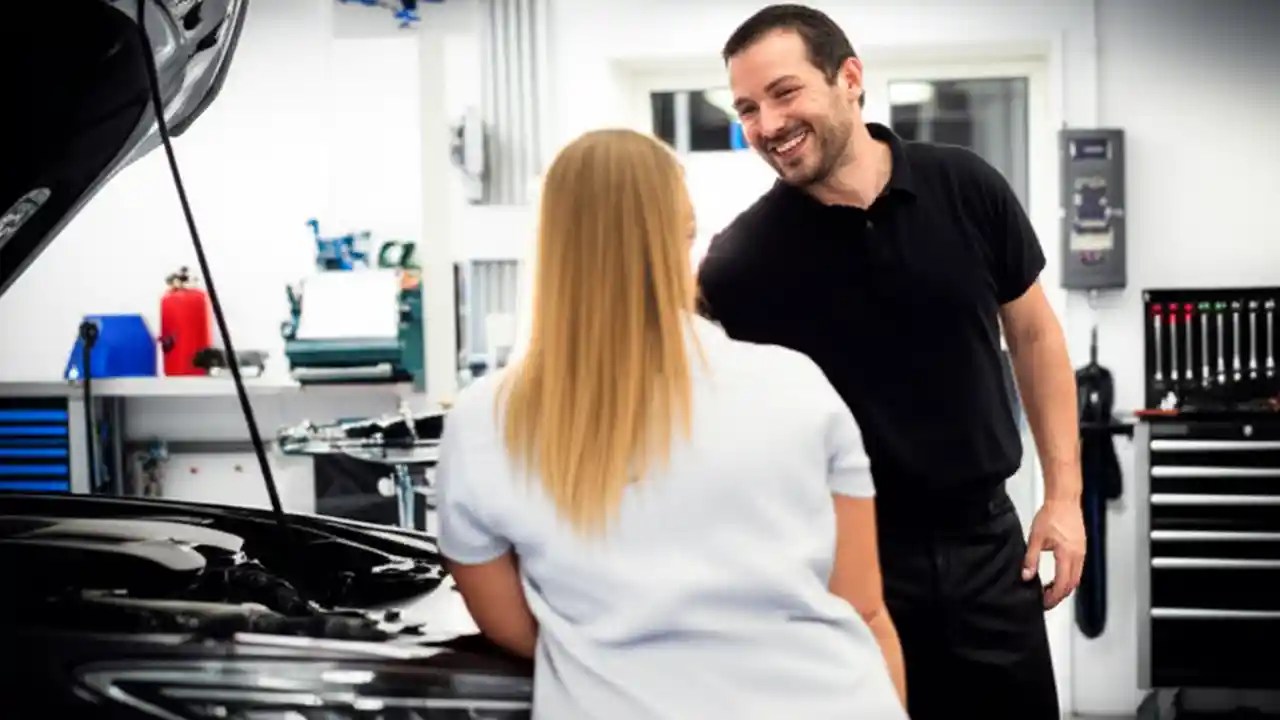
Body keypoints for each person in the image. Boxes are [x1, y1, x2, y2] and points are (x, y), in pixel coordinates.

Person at [434, 128, 909, 719]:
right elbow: (863, 611)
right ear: (686, 234)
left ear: (551, 243)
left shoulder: (485, 423)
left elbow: (517, 629)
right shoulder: (794, 385)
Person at [696, 5, 1086, 719]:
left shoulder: (965, 186)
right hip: (847, 567)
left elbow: (1034, 336)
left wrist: (1063, 497)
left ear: (849, 77)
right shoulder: (740, 258)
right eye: (747, 108)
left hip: (990, 551)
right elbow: (661, 371)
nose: (767, 124)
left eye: (785, 93)